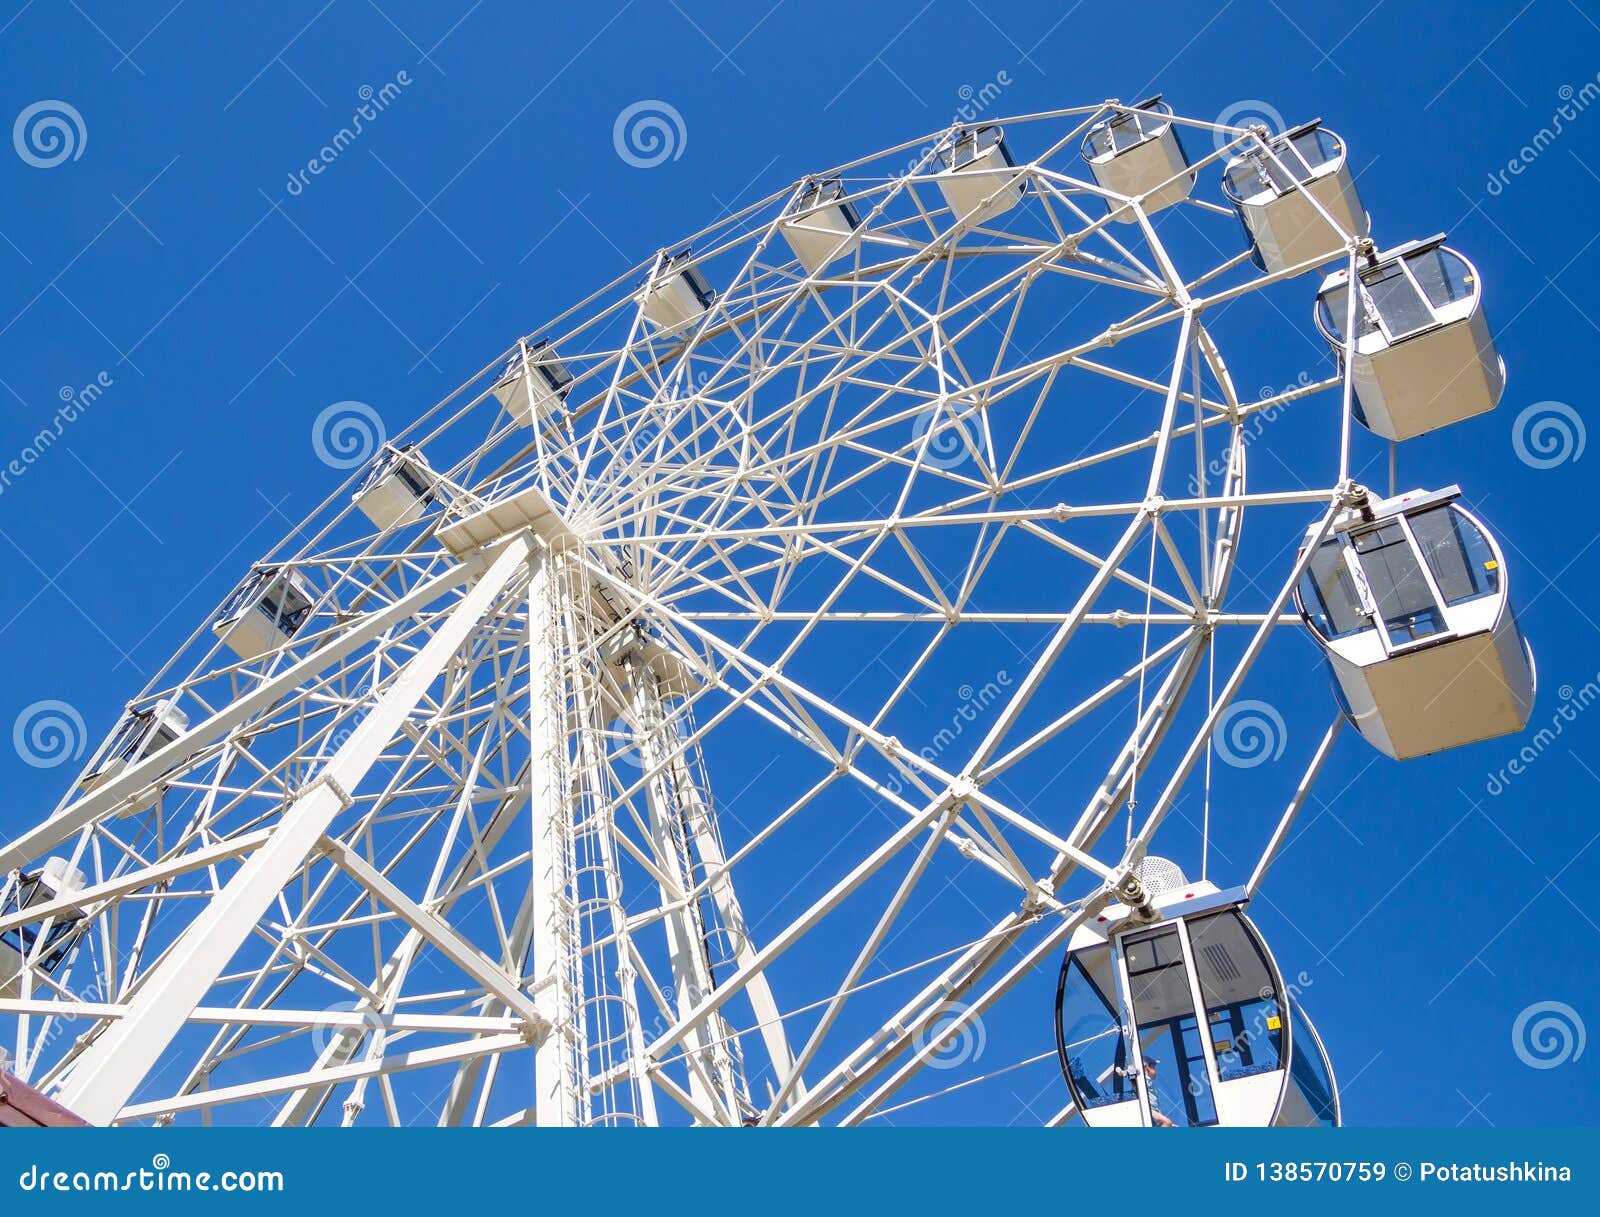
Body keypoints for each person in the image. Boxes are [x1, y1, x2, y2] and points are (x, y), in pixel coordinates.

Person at [1142, 1056, 1175, 1128]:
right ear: (1146, 1067)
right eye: (1153, 1067)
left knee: (1171, 1125)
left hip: (1154, 1112)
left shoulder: (1150, 1082)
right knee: (1167, 1122)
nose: (1155, 1070)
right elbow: (1135, 1084)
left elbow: (1156, 1107)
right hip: (1148, 1110)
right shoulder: (1143, 1080)